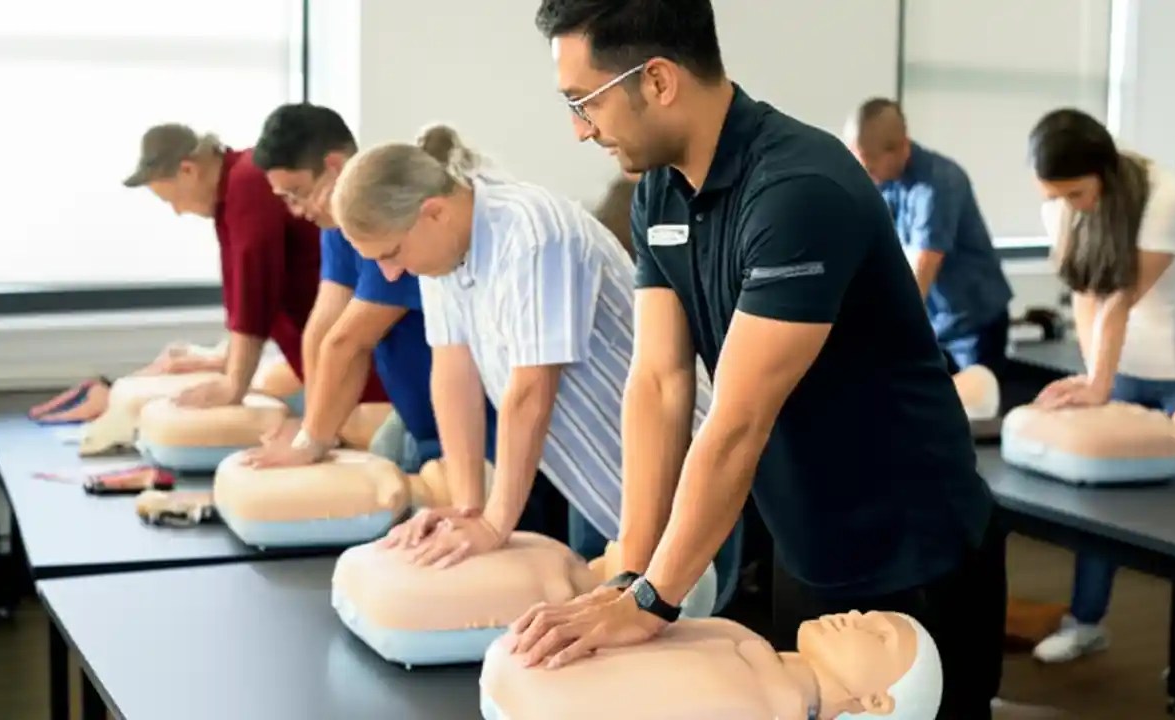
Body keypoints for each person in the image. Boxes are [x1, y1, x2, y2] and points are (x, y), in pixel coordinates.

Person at [508, 2, 1005, 718]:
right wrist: (633, 572)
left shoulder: (798, 191)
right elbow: (659, 383)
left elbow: (738, 419)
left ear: (657, 81)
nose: (580, 128)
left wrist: (654, 599)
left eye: (584, 102)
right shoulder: (659, 191)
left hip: (912, 542)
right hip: (807, 536)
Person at [330, 125, 741, 612]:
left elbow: (531, 389)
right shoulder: (441, 255)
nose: (391, 274)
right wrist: (470, 507)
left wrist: (494, 523)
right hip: (592, 481)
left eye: (391, 255)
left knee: (690, 642)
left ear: (432, 213)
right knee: (597, 639)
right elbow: (452, 370)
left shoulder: (531, 234)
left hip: (679, 473)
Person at [1026, 108, 1175, 718]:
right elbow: (1086, 296)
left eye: (1074, 192)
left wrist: (1099, 384)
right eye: (1054, 196)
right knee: (1104, 502)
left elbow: (1120, 298)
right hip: (1125, 368)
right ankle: (1087, 620)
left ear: (1101, 170)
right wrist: (1100, 381)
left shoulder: (1164, 197)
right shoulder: (1064, 204)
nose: (1066, 205)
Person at [235, 102, 464, 472]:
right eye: (286, 200)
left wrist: (311, 440)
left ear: (334, 167)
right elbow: (322, 328)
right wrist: (312, 426)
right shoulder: (335, 230)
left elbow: (351, 341)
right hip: (415, 421)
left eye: (298, 193)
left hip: (461, 421)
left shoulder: (389, 220)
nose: (296, 211)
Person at [122, 123, 321, 410]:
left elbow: (255, 289)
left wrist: (234, 385)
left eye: (172, 200)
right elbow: (243, 295)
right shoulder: (231, 194)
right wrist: (224, 359)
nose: (178, 211)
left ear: (188, 170)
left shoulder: (247, 183)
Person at [844, 99, 1014, 376]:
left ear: (901, 147)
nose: (866, 174)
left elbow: (922, 268)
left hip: (972, 326)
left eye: (870, 166)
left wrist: (880, 336)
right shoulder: (884, 183)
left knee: (973, 408)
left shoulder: (939, 183)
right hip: (934, 323)